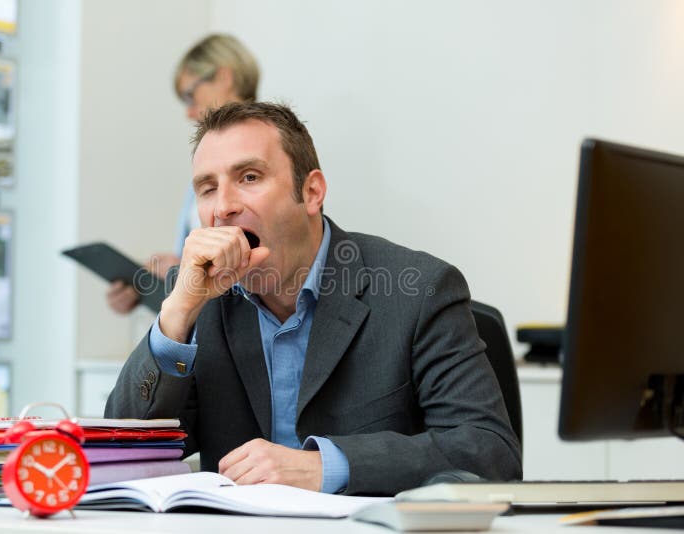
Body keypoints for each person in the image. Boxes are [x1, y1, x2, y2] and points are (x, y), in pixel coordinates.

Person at [104, 102, 522, 496]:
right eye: (207, 188)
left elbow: (489, 452)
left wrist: (325, 466)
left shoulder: (420, 290)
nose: (224, 207)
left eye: (249, 177)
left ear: (311, 192)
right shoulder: (199, 300)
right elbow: (120, 455)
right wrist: (176, 313)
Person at [106, 33, 260, 314]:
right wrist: (156, 281)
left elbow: (263, 257)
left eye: (190, 95)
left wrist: (185, 270)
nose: (189, 113)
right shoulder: (206, 167)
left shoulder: (264, 155)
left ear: (224, 77)